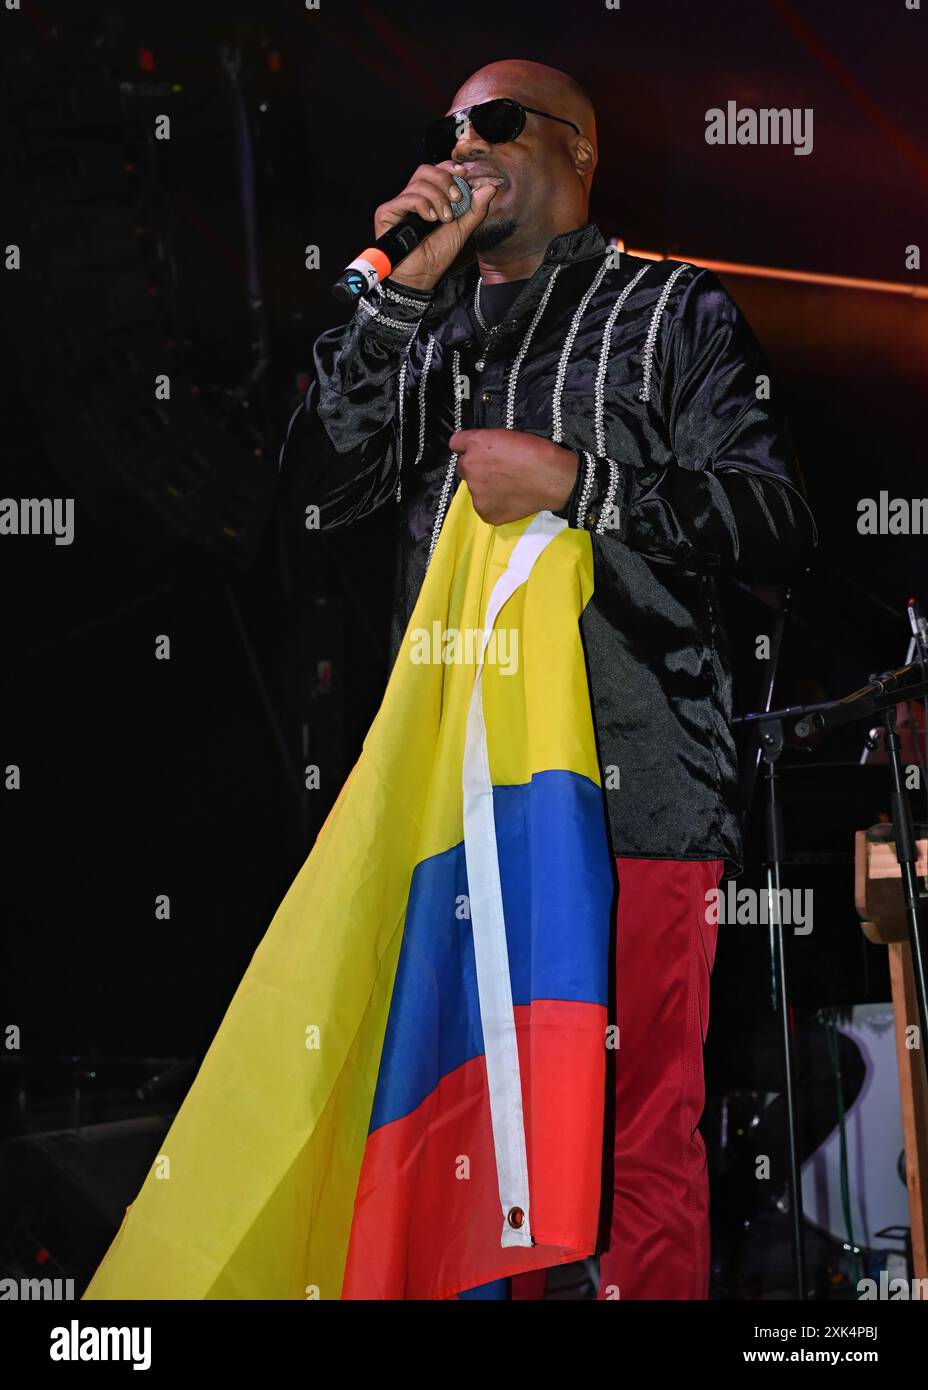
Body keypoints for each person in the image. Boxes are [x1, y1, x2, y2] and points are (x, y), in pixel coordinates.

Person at [278, 57, 817, 1300]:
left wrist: (578, 483)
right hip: (449, 811)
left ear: (578, 150)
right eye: (446, 128)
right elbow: (306, 494)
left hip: (632, 794)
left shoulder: (674, 309)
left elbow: (774, 522)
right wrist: (399, 288)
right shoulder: (423, 328)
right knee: (459, 1151)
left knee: (627, 1146)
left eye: (497, 122)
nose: (462, 145)